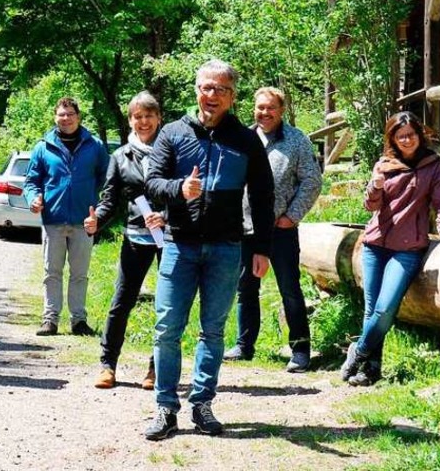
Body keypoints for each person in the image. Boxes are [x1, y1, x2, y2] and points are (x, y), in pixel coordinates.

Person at [142, 60, 275, 441]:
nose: (211, 95)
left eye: (220, 89)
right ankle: (166, 408)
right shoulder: (173, 133)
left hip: (226, 248)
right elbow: (152, 183)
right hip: (179, 246)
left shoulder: (246, 140)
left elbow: (263, 197)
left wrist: (261, 247)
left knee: (213, 331)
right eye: (206, 87)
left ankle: (202, 404)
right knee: (167, 329)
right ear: (196, 90)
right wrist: (179, 189)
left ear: (232, 97)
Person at [339, 112, 440, 387]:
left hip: (408, 248)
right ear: (393, 139)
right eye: (400, 136)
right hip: (374, 244)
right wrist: (375, 186)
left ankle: (358, 351)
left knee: (385, 309)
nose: (406, 140)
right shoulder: (384, 164)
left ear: (419, 135)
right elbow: (370, 206)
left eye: (411, 135)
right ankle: (371, 369)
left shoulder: (432, 164)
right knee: (371, 310)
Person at [225, 87, 322, 372]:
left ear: (281, 110)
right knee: (245, 287)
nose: (264, 113)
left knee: (289, 288)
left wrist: (292, 216)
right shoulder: (244, 138)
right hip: (246, 227)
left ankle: (300, 349)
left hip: (281, 228)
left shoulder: (296, 140)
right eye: (260, 107)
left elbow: (312, 180)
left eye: (270, 108)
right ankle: (244, 345)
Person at [87, 92, 167, 391]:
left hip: (169, 238)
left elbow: (184, 195)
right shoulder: (120, 156)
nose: (143, 122)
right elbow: (109, 200)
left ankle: (156, 368)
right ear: (130, 120)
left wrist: (165, 216)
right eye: (137, 117)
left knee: (167, 305)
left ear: (158, 118)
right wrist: (97, 221)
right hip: (135, 237)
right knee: (121, 302)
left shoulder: (172, 151)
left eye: (149, 116)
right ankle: (107, 365)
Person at [24, 97, 110, 336]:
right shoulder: (43, 147)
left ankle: (78, 321)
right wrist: (33, 198)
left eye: (70, 114)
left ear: (78, 117)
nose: (66, 118)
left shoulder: (94, 145)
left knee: (79, 274)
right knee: (52, 272)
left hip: (84, 221)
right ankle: (49, 320)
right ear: (55, 117)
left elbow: (107, 178)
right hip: (53, 219)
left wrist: (96, 204)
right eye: (61, 114)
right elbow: (31, 181)